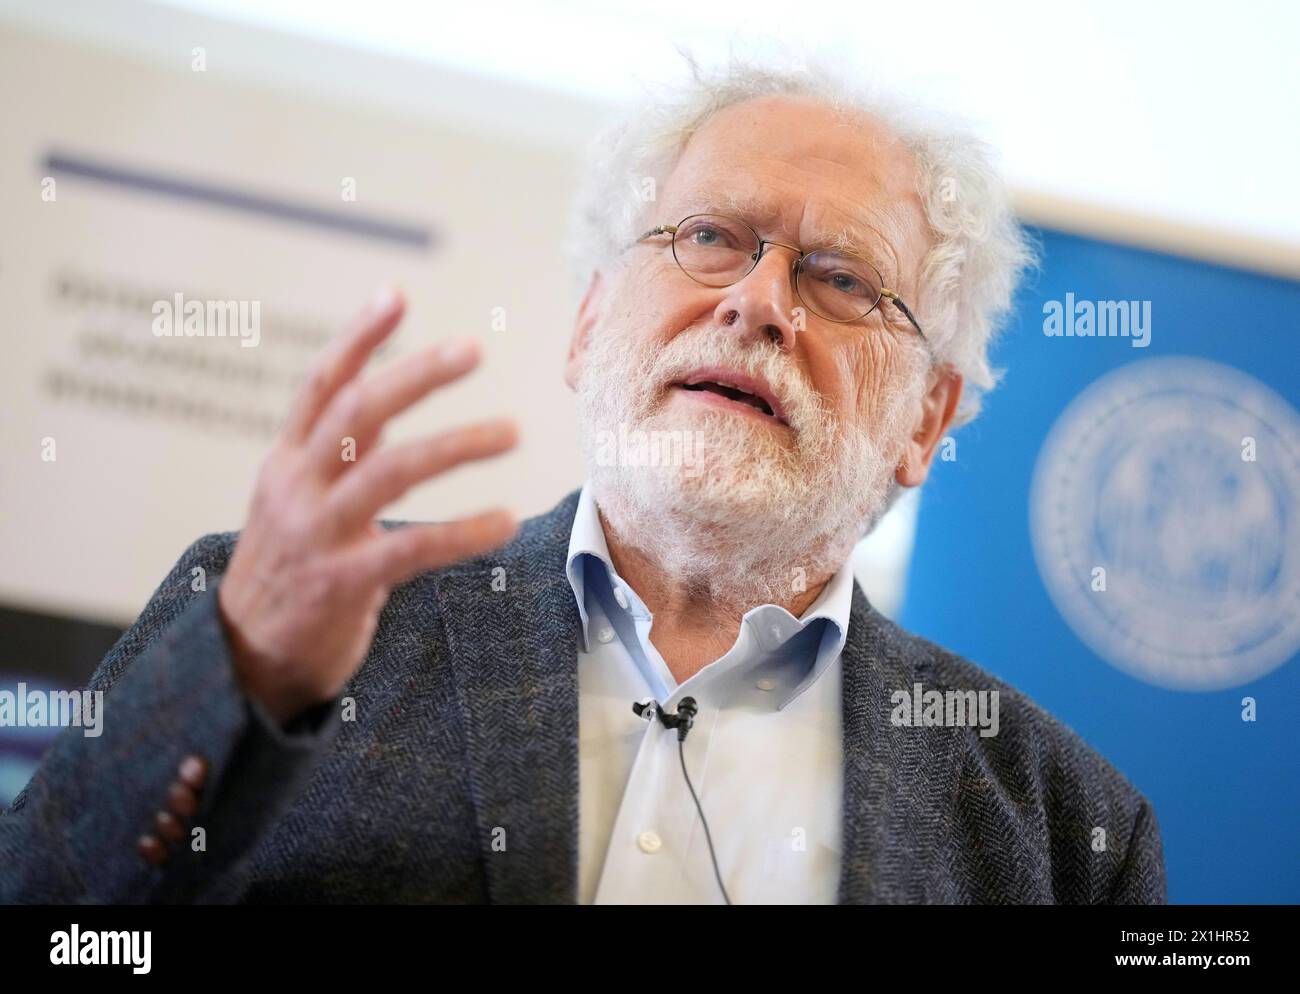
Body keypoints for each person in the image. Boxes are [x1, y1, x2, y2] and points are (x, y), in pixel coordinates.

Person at [0, 54, 1166, 904]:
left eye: (840, 278)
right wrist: (236, 671)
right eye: (709, 236)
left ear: (925, 417)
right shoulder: (267, 614)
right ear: (591, 318)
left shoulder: (1067, 834)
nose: (757, 302)